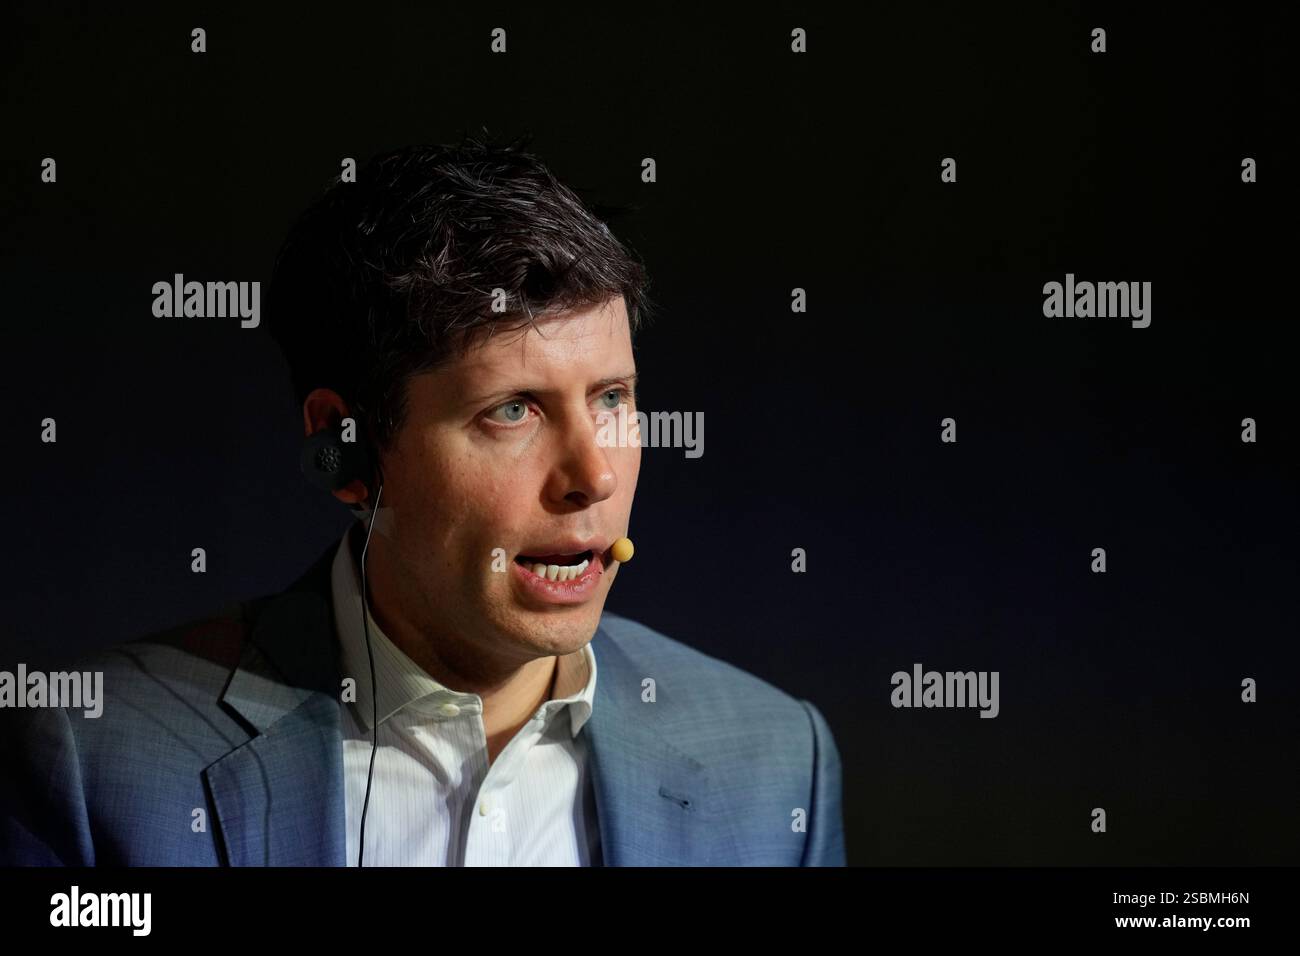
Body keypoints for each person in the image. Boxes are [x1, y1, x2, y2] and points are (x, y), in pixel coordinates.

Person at [0, 138, 846, 866]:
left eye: (613, 399)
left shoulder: (777, 766)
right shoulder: (92, 765)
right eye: (513, 409)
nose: (594, 475)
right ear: (348, 452)